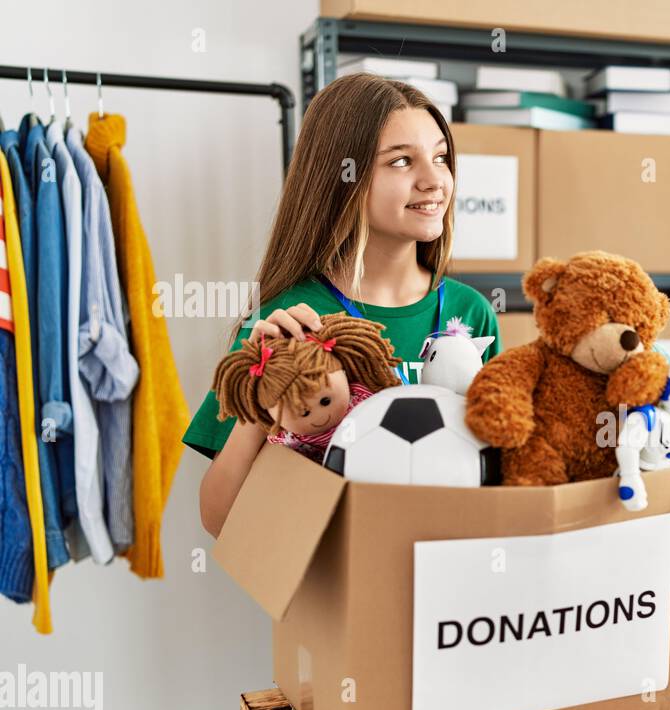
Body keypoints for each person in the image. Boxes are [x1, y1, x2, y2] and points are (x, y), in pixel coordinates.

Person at [184, 74, 500, 536]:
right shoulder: (286, 320)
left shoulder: (472, 313)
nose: (434, 180)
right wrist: (260, 404)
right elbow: (220, 521)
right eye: (400, 162)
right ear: (342, 176)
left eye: (440, 157)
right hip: (340, 592)